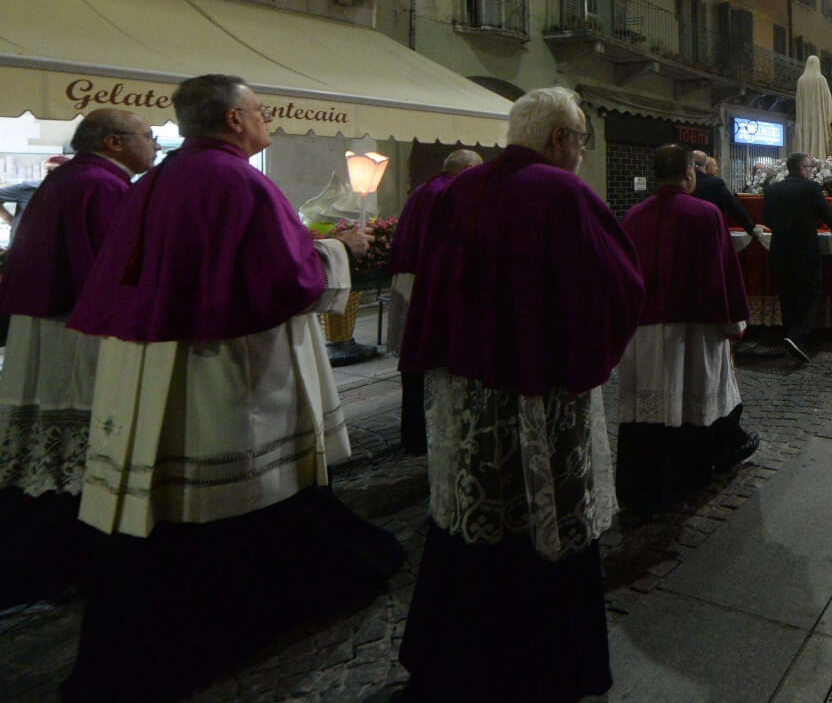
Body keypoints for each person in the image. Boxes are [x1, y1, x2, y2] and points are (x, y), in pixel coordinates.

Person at [62, 75, 402, 702]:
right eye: (259, 111)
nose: (266, 119)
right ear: (236, 120)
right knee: (239, 491)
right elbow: (284, 276)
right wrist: (339, 249)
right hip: (225, 364)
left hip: (157, 359)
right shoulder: (240, 179)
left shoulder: (157, 180)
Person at [397, 86, 644, 701]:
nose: (582, 152)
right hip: (540, 389)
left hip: (468, 392)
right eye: (582, 139)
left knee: (475, 513)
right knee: (544, 514)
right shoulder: (562, 193)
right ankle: (546, 668)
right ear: (561, 139)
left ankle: (454, 657)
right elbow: (619, 286)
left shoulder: (457, 190)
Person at [0, 110, 155, 609]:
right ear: (113, 141)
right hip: (77, 334)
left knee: (44, 451)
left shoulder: (69, 177)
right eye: (147, 137)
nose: (154, 146)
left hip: (40, 326)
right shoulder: (104, 186)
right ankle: (80, 560)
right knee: (81, 447)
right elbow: (116, 269)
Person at [617, 145, 757, 516]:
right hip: (695, 329)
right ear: (689, 174)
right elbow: (722, 271)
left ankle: (642, 482)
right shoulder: (706, 213)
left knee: (648, 408)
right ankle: (690, 475)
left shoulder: (633, 215)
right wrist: (734, 322)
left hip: (645, 328)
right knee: (694, 400)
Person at [387, 148, 483, 455]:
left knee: (412, 356)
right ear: (467, 169)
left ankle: (412, 433)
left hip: (407, 280)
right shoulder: (453, 193)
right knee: (435, 357)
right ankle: (437, 432)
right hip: (433, 285)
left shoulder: (422, 190)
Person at [762, 152, 832, 362]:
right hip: (804, 250)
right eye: (809, 167)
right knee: (811, 291)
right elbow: (827, 213)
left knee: (786, 294)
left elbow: (767, 219)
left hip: (779, 249)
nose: (811, 171)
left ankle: (789, 336)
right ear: (800, 169)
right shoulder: (811, 188)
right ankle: (797, 336)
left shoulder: (772, 189)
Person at [691, 150, 755, 235]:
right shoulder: (715, 183)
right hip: (709, 231)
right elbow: (733, 207)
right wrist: (752, 228)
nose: (717, 169)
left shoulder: (682, 182)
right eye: (715, 166)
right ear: (706, 166)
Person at [0, 155, 69, 231]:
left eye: (55, 170)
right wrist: (10, 220)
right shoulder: (29, 188)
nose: (49, 173)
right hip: (26, 240)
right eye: (47, 169)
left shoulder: (72, 194)